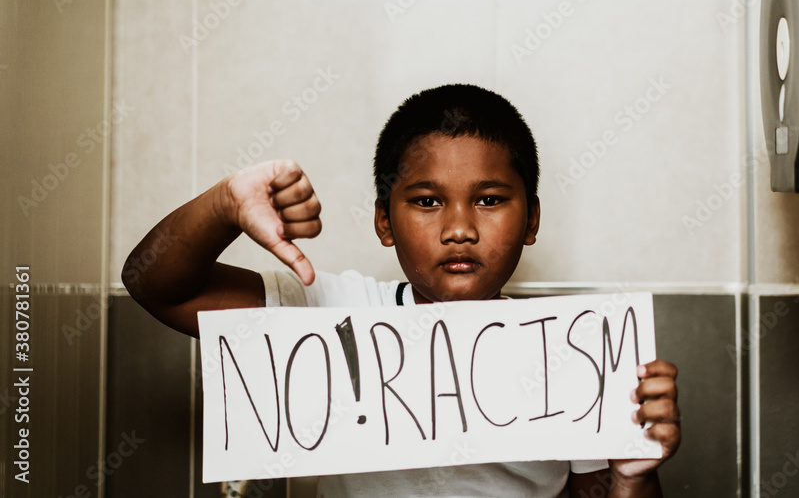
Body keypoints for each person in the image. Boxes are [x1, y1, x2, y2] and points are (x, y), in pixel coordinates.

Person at [124, 83, 681, 497]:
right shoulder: (334, 315)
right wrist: (225, 204)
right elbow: (156, 285)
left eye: (489, 199)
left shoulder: (574, 354)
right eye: (426, 201)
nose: (459, 228)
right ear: (384, 222)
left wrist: (633, 475)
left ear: (531, 220)